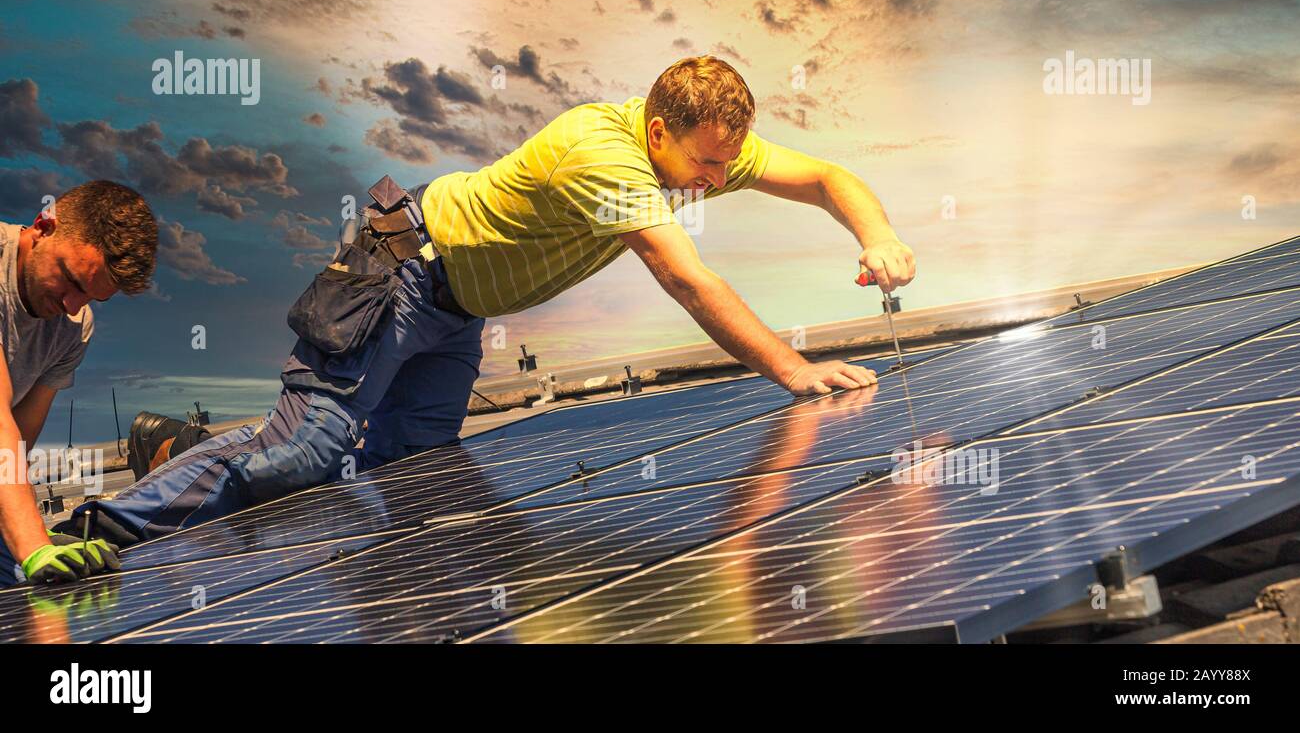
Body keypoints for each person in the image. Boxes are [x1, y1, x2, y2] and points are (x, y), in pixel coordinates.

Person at [69, 55, 916, 547]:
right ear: (658, 132)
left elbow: (827, 176)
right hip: (397, 275)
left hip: (455, 312)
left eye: (728, 165)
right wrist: (792, 371)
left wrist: (874, 236)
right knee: (302, 457)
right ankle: (102, 526)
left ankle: (396, 618)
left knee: (420, 477)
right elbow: (686, 279)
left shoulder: (705, 149)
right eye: (703, 164)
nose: (716, 181)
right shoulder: (606, 155)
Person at [0, 181, 158, 584]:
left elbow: (18, 441)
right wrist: (32, 544)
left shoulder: (73, 326)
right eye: (70, 281)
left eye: (91, 297)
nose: (72, 306)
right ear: (43, 226)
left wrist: (38, 533)